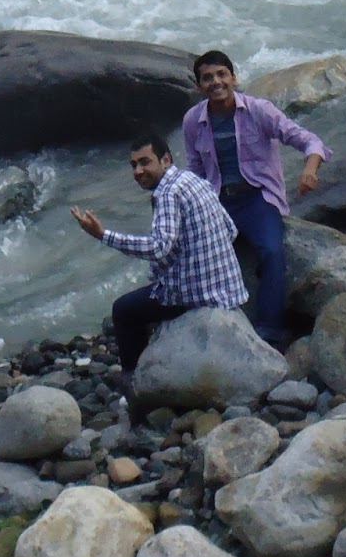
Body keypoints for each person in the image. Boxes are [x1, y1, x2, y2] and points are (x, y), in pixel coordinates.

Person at [71, 132, 248, 393]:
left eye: (145, 162)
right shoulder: (193, 180)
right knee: (151, 287)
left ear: (165, 160)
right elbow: (230, 229)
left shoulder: (167, 193)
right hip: (229, 288)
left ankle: (135, 381)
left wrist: (103, 235)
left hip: (197, 295)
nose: (138, 171)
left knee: (123, 310)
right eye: (133, 165)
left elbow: (158, 247)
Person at [181, 50, 329, 346]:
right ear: (199, 87)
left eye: (222, 75)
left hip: (257, 198)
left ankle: (269, 332)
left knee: (271, 252)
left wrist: (310, 170)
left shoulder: (259, 111)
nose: (216, 82)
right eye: (207, 78)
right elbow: (196, 169)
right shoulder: (192, 121)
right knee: (191, 255)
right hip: (217, 202)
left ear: (234, 78)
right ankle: (205, 328)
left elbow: (309, 140)